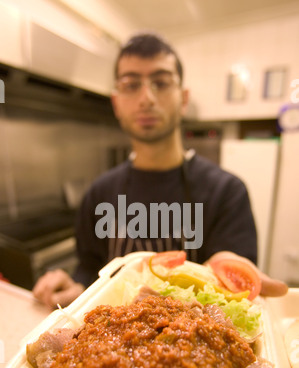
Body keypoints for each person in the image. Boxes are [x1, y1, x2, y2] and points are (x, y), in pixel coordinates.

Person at [33, 32, 261, 309]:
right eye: (131, 85)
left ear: (183, 98)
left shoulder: (226, 192)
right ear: (116, 103)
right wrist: (74, 286)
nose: (146, 98)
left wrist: (226, 268)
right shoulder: (100, 193)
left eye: (161, 83)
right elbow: (90, 269)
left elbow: (234, 293)